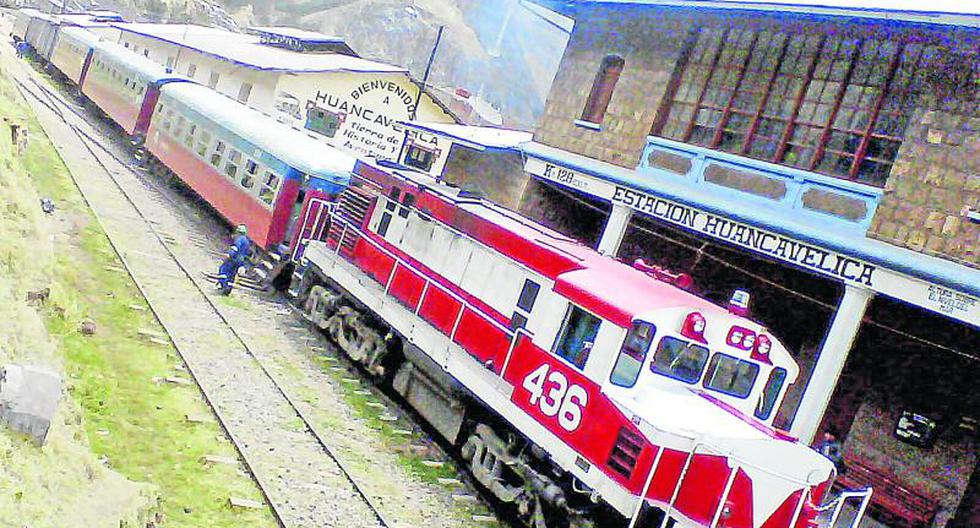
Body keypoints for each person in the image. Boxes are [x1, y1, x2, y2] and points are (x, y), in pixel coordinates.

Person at [216, 224, 252, 295]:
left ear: (238, 232)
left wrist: (229, 254)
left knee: (223, 270)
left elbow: (235, 247)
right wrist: (243, 265)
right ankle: (229, 288)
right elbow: (248, 253)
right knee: (232, 275)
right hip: (240, 261)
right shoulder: (247, 242)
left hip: (233, 259)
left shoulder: (239, 239)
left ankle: (224, 285)